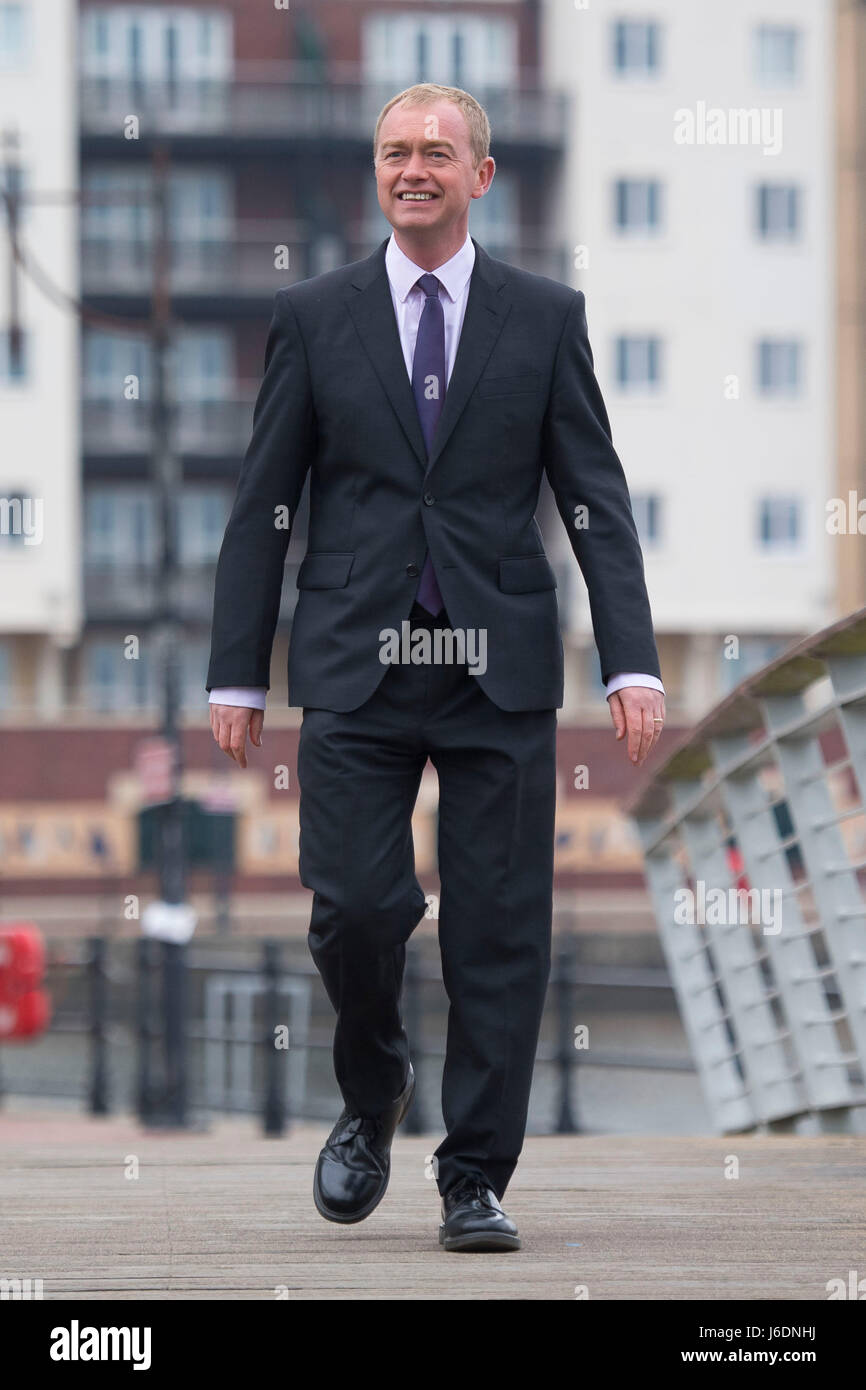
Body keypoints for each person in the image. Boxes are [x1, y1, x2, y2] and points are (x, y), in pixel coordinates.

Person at [207, 83, 665, 1253]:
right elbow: (264, 501)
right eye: (395, 151)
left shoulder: (542, 315)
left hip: (494, 662)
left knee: (499, 928)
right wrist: (235, 674)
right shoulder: (313, 316)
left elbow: (593, 499)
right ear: (378, 172)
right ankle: (372, 1095)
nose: (413, 168)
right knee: (358, 906)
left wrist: (630, 662)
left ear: (481, 177)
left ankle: (474, 1178)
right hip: (356, 662)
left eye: (436, 152)